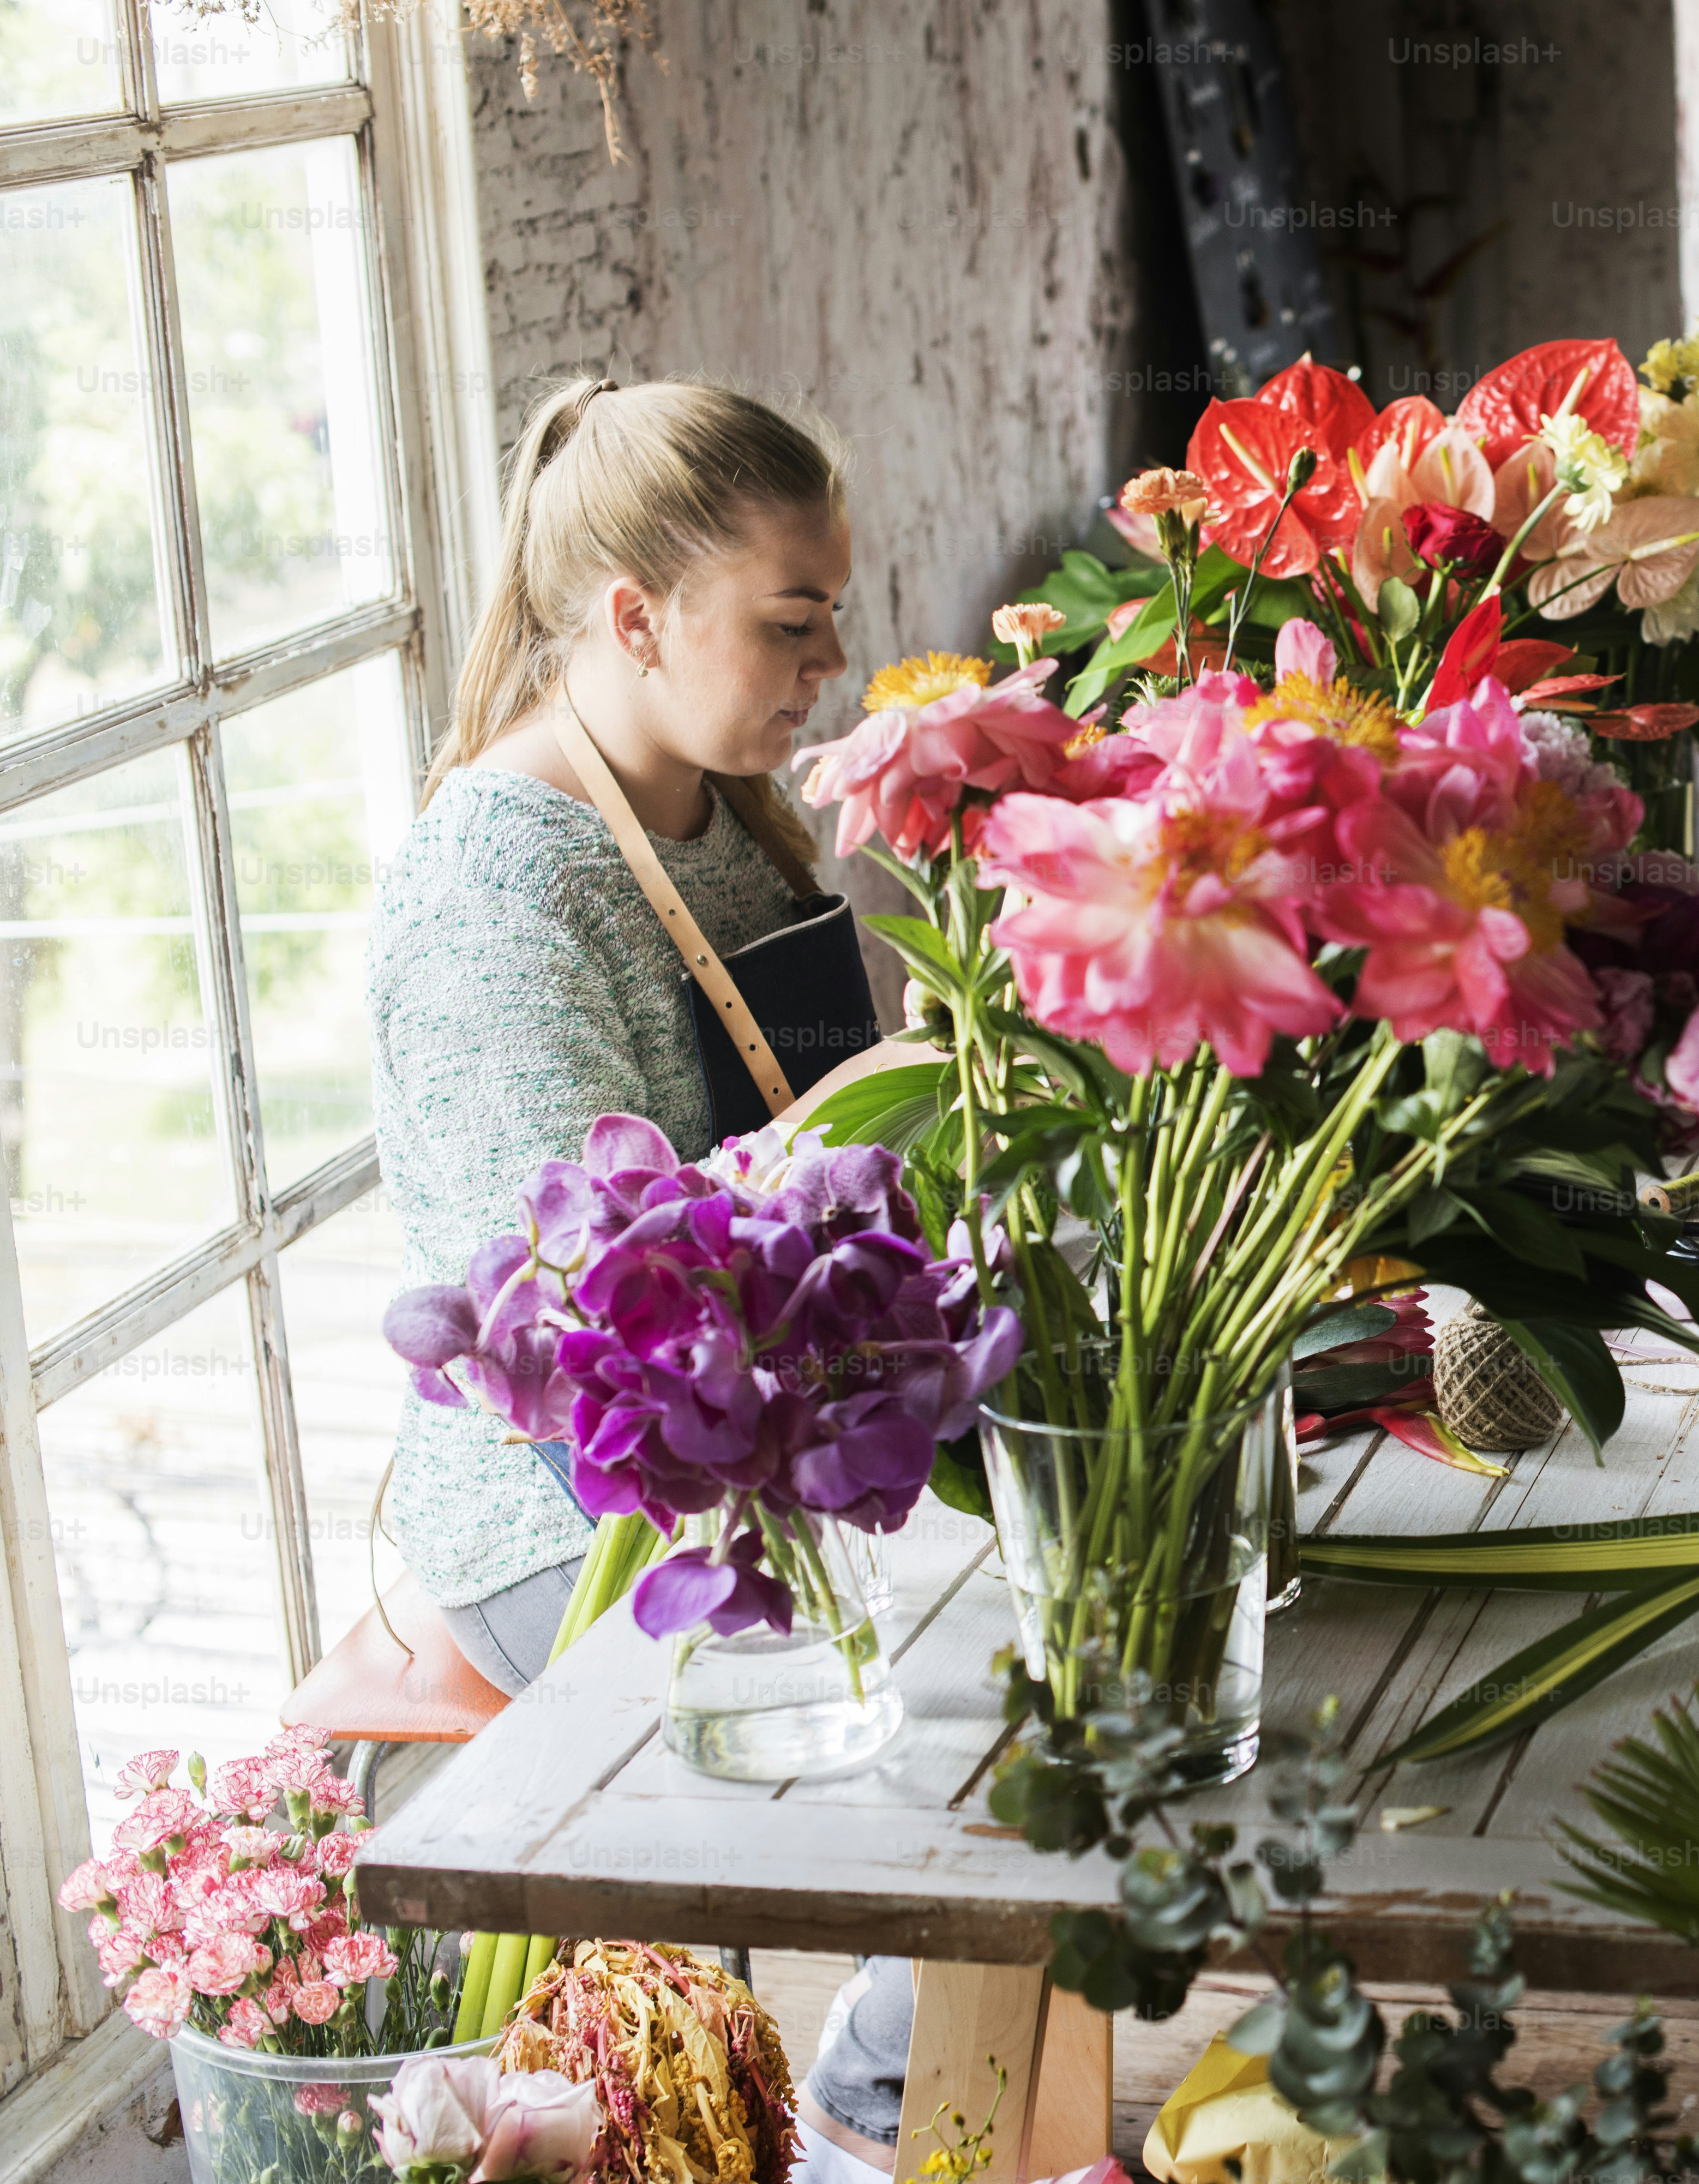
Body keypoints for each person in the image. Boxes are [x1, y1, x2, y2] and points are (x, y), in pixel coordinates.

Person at [366, 375, 911, 2177]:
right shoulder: (492, 890)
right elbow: (569, 1319)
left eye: (830, 605)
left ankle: (877, 2093)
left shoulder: (722, 813)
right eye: (793, 616)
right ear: (634, 615)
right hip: (564, 1503)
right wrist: (865, 1112)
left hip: (759, 1431)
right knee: (976, 1682)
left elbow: (844, 1177)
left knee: (1094, 1559)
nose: (831, 653)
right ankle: (865, 2103)